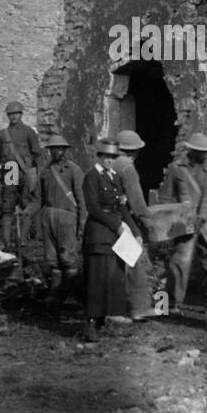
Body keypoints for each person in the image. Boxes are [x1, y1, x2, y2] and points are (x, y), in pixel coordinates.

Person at [160, 132, 207, 316]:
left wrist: (200, 218)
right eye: (201, 152)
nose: (205, 155)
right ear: (191, 151)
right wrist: (169, 219)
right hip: (184, 221)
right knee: (181, 260)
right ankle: (172, 304)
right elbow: (166, 197)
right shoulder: (176, 169)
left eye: (206, 152)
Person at [81, 137, 134, 342]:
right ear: (99, 156)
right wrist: (117, 226)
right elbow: (93, 209)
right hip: (98, 234)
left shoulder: (115, 178)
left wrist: (134, 232)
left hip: (115, 235)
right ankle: (90, 324)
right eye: (106, 156)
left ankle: (103, 322)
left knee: (112, 278)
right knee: (97, 279)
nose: (110, 160)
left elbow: (121, 207)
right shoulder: (91, 177)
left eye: (113, 157)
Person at [110, 129, 161, 322]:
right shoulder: (127, 167)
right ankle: (137, 308)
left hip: (103, 220)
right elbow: (137, 201)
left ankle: (118, 308)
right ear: (134, 151)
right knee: (133, 258)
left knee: (112, 264)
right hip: (119, 220)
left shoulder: (106, 163)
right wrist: (148, 224)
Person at [38, 134, 84, 313]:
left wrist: (82, 223)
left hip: (67, 218)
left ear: (65, 151)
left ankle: (72, 294)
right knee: (52, 259)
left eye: (59, 149)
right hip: (48, 216)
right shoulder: (46, 171)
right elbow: (38, 198)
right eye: (53, 149)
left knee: (68, 258)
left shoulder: (74, 170)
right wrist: (27, 212)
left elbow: (81, 200)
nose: (56, 152)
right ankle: (55, 292)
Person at [0, 99, 43, 249]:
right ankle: (7, 241)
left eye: (16, 114)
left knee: (26, 204)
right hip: (10, 170)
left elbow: (37, 154)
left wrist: (38, 174)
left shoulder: (29, 132)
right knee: (8, 206)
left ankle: (23, 239)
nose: (14, 117)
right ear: (8, 116)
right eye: (11, 114)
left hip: (26, 171)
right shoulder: (3, 134)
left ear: (21, 114)